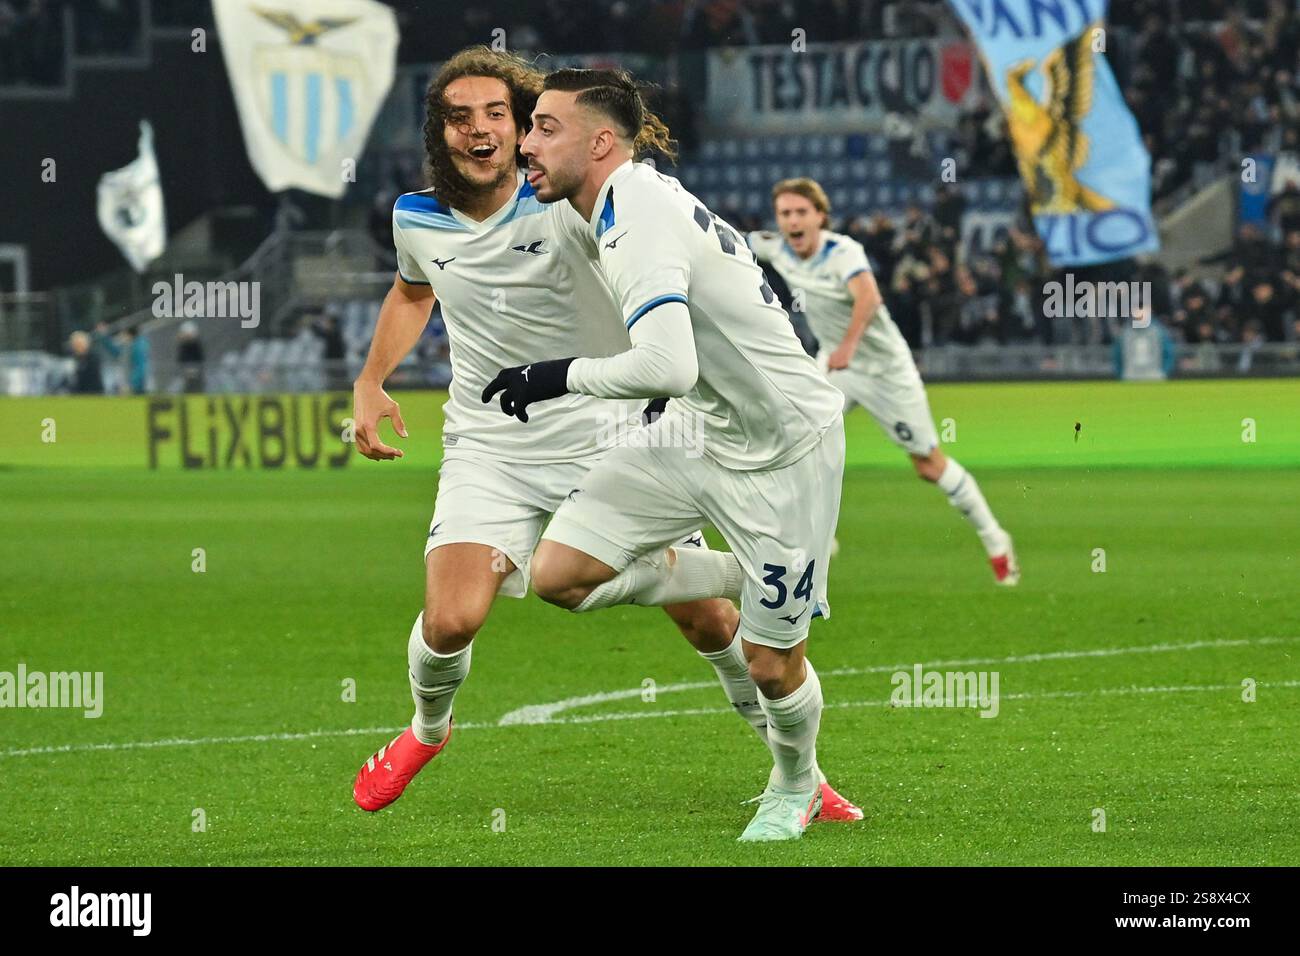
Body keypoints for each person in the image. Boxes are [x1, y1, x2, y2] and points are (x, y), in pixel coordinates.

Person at [349, 48, 861, 828]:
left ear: (528, 129)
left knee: (712, 626)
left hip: (613, 428)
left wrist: (618, 371)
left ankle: (801, 774)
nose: (483, 131)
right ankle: (428, 730)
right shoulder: (415, 217)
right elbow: (411, 291)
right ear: (440, 132)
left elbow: (664, 320)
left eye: (502, 115)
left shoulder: (570, 204)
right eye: (461, 117)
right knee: (453, 618)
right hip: (493, 444)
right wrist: (371, 379)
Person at [489, 67, 849, 841]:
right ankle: (767, 574)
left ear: (602, 141)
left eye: (546, 128)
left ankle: (795, 787)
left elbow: (668, 365)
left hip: (785, 449)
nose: (526, 143)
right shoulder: (613, 199)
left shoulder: (636, 212)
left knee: (769, 664)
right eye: (529, 126)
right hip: (697, 431)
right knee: (560, 575)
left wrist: (549, 378)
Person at [747, 178, 1019, 585]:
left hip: (884, 371)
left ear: (820, 216)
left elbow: (869, 299)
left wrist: (849, 347)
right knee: (796, 441)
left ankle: (995, 539)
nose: (792, 221)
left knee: (928, 465)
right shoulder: (775, 247)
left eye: (801, 212)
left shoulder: (843, 252)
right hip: (837, 370)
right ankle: (819, 538)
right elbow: (725, 238)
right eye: (785, 213)